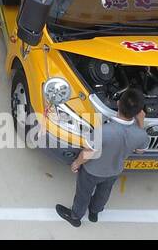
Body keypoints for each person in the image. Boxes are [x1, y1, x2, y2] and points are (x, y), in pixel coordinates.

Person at [55, 87, 149, 227]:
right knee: (104, 192)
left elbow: (88, 153)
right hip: (114, 171)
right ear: (139, 113)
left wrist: (76, 163)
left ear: (118, 104)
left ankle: (75, 216)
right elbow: (141, 150)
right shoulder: (141, 134)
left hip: (91, 171)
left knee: (83, 193)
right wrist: (141, 122)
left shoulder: (104, 131)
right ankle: (94, 212)